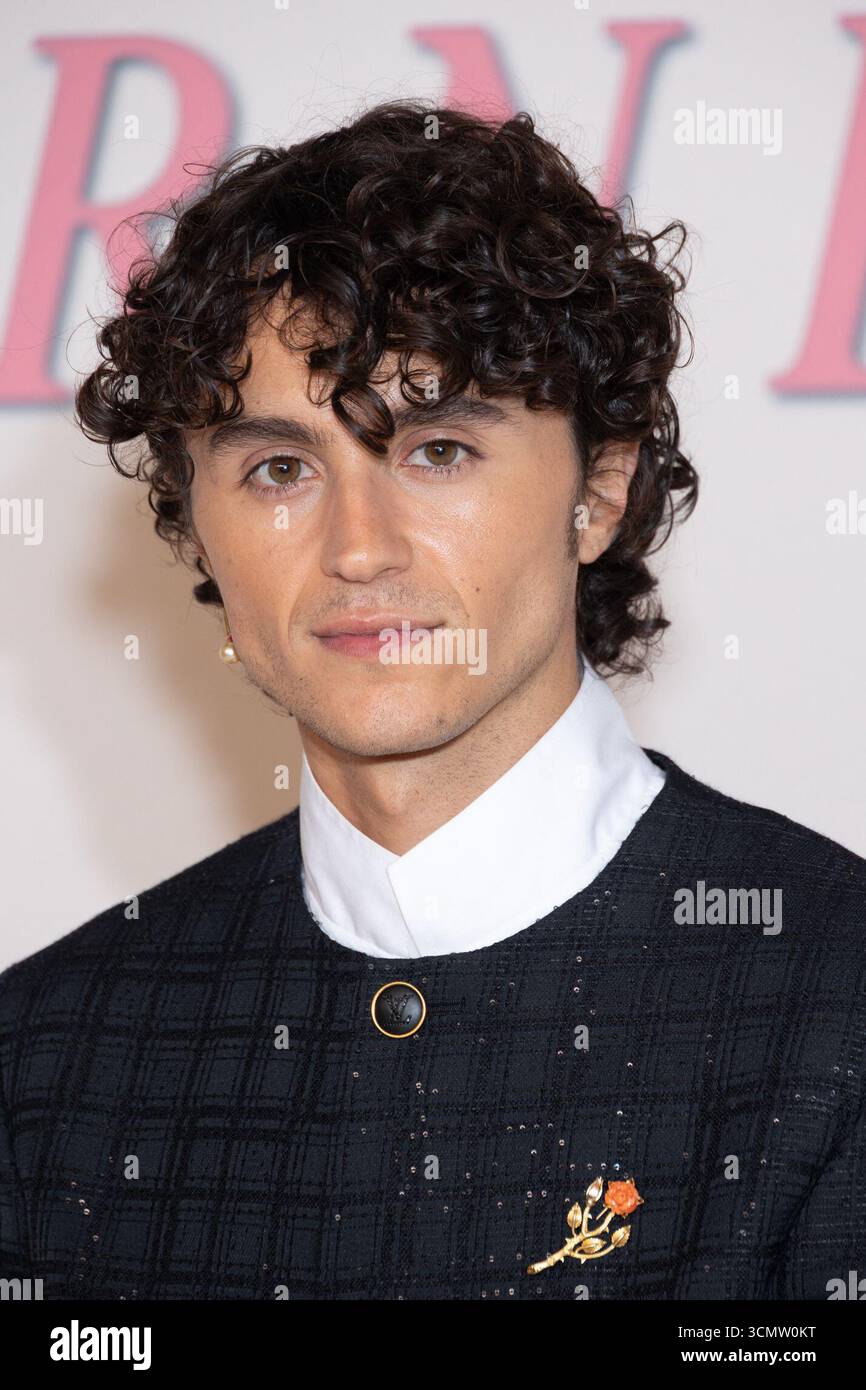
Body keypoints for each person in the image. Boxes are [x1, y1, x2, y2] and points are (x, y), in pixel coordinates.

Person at [1, 102, 863, 1301]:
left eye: (438, 450)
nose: (360, 549)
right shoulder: (46, 1056)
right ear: (198, 521)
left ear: (598, 492)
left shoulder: (834, 1006)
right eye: (280, 468)